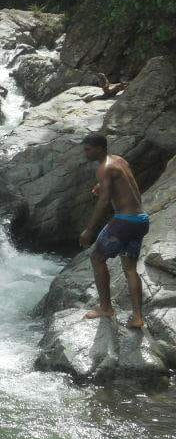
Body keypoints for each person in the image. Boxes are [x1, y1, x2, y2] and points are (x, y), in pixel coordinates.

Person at [79, 133, 149, 328]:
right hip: (140, 220)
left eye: (88, 149)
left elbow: (103, 202)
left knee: (96, 258)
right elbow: (124, 183)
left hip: (124, 222)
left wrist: (89, 230)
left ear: (100, 148)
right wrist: (101, 186)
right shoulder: (118, 160)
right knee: (130, 269)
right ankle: (137, 317)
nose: (85, 153)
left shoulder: (104, 168)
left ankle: (106, 308)